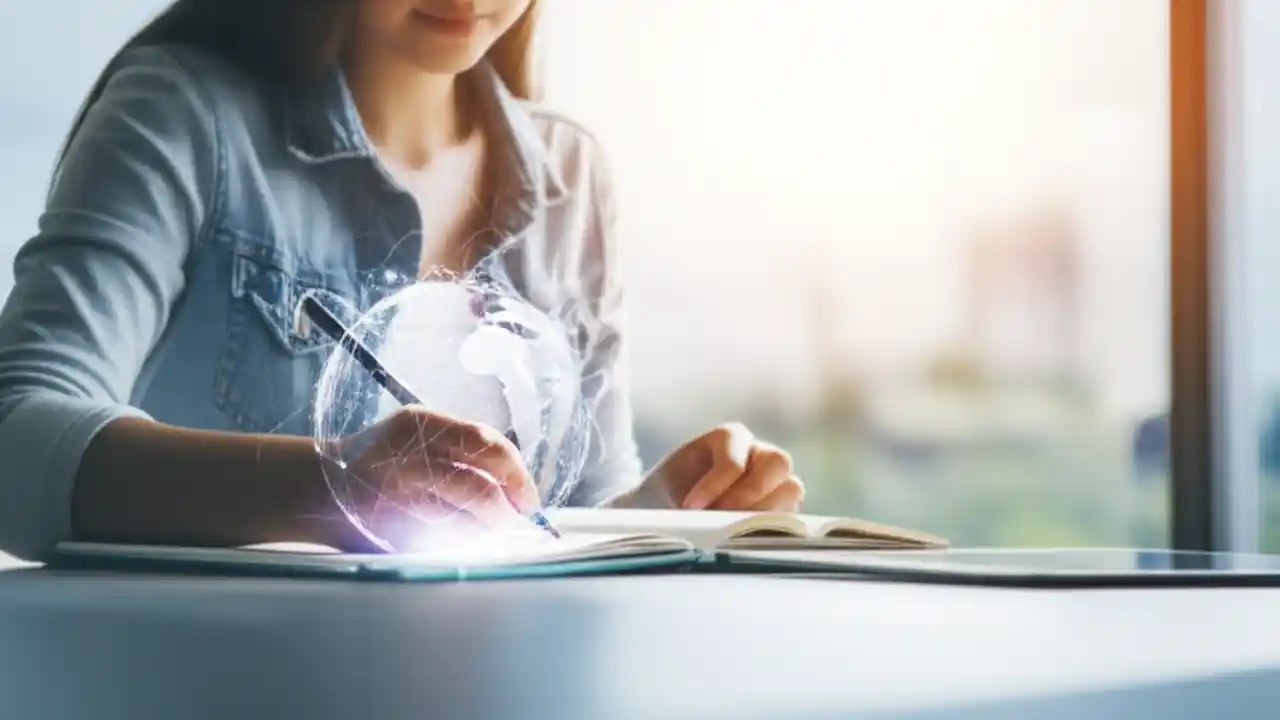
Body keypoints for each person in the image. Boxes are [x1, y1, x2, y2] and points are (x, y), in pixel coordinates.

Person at [0, 0, 804, 559]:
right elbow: (17, 439)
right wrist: (331, 486)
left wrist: (674, 510)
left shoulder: (572, 176)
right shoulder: (180, 119)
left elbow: (560, 519)